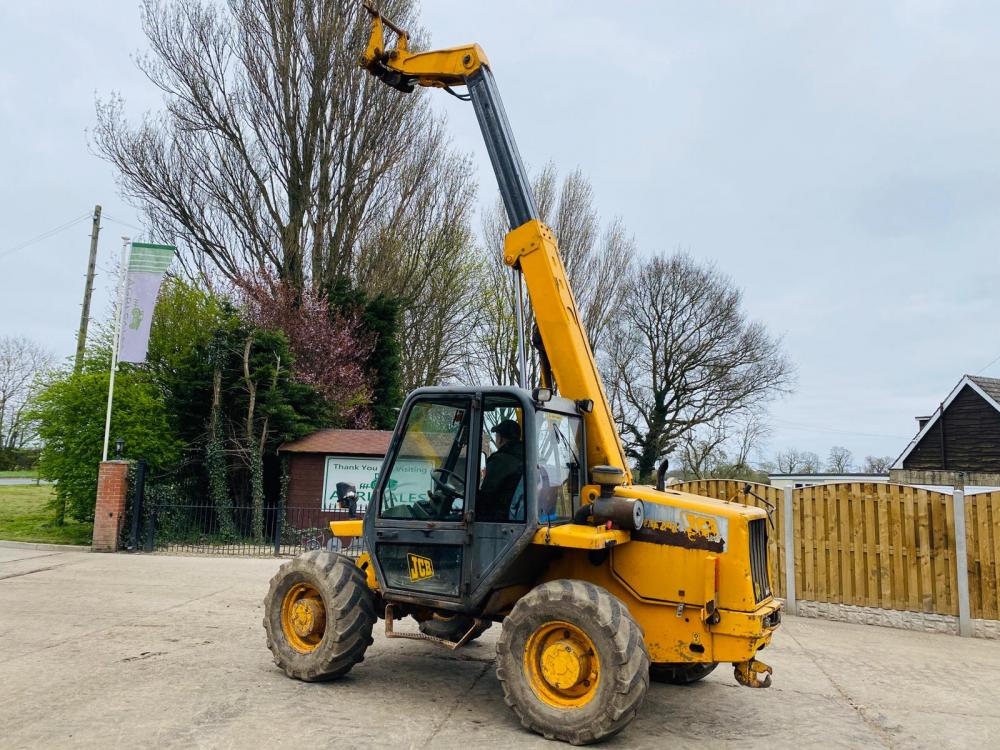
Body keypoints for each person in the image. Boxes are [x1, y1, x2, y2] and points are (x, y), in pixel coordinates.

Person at [478, 418, 525, 521]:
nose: (496, 439)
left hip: (499, 518)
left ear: (501, 439)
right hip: (512, 514)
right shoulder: (526, 457)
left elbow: (486, 495)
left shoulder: (500, 460)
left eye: (497, 436)